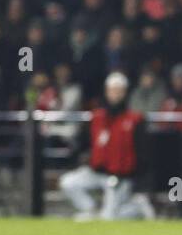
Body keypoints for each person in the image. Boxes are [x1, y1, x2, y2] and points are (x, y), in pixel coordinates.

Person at [60, 72, 156, 221]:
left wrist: (139, 180)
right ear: (106, 92)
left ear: (125, 93)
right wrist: (81, 159)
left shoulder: (135, 120)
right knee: (68, 182)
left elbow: (144, 154)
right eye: (112, 90)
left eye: (119, 91)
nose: (115, 95)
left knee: (109, 218)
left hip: (120, 177)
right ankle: (90, 209)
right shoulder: (97, 118)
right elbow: (84, 144)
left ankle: (137, 207)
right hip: (97, 172)